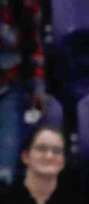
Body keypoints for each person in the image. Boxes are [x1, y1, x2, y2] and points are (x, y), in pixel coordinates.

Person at [0, 0, 44, 185]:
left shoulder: (25, 8)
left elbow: (33, 49)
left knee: (5, 174)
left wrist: (38, 87)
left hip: (9, 88)